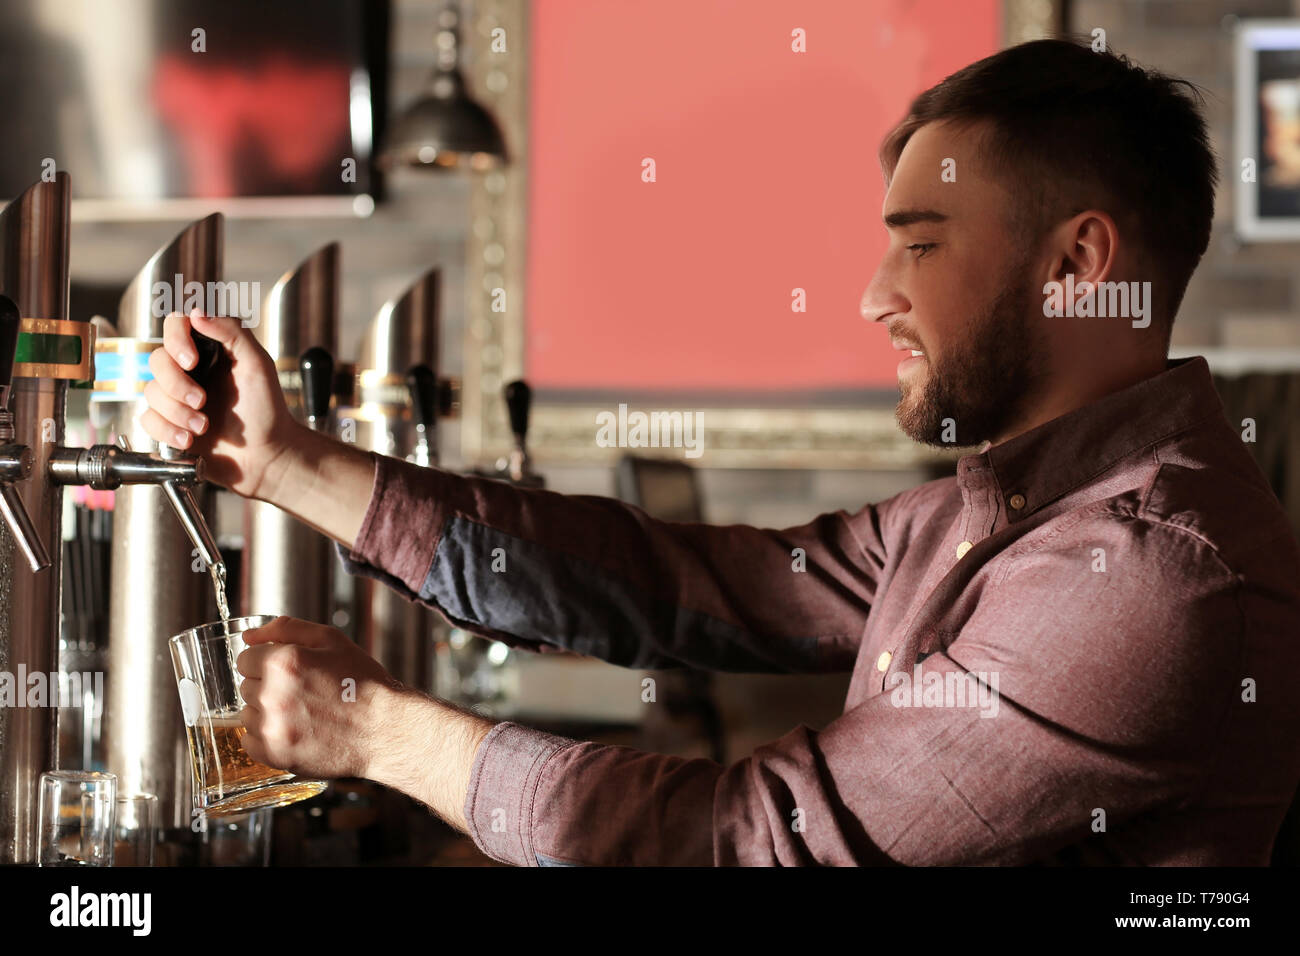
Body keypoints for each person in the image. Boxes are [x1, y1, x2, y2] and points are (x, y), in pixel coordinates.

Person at [142, 38, 1300, 866]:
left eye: (923, 245)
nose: (873, 297)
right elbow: (686, 583)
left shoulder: (1145, 572)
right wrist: (285, 459)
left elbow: (754, 841)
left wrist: (381, 730)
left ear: (1074, 265)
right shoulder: (999, 501)